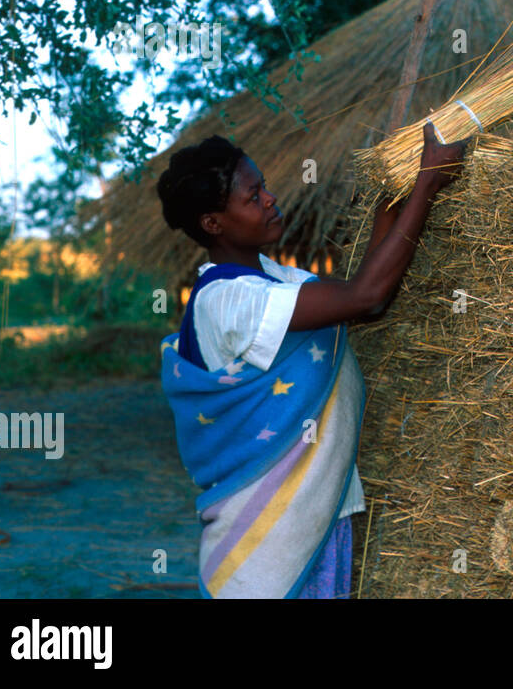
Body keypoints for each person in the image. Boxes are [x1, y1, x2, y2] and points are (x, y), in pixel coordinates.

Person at [155, 121, 466, 598]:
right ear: (213, 223)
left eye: (264, 187)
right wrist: (427, 182)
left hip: (315, 514)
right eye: (252, 195)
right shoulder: (226, 299)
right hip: (263, 534)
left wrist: (394, 190)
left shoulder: (279, 278)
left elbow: (368, 296)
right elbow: (366, 294)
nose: (270, 199)